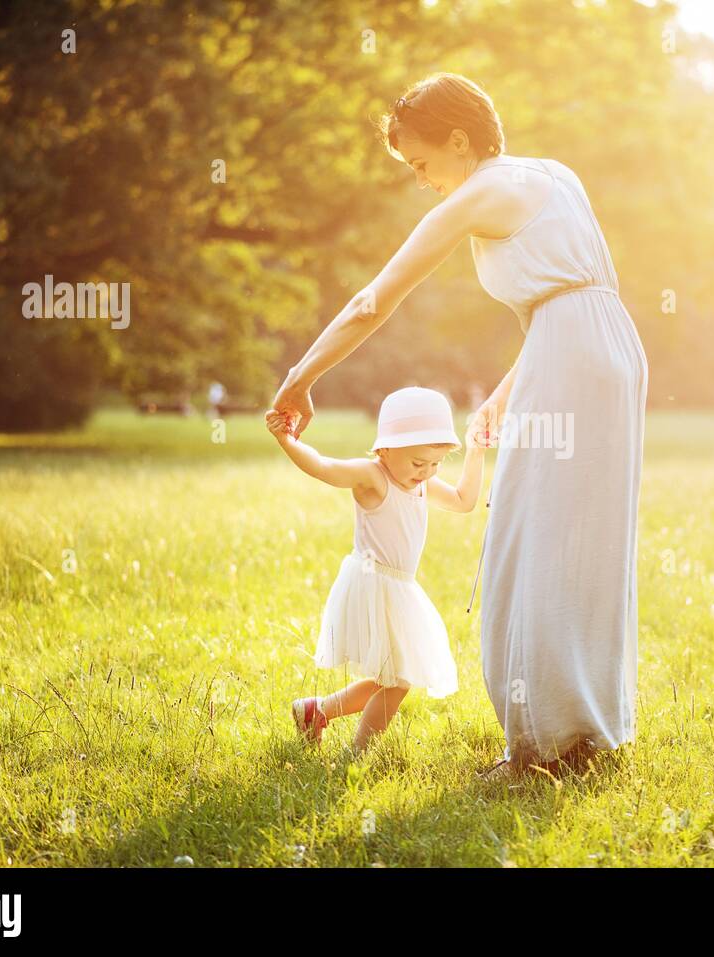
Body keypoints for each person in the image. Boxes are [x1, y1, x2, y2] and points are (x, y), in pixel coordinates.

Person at [270, 73, 648, 778]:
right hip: (613, 351)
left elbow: (371, 301)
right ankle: (587, 730)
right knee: (584, 542)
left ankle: (538, 747)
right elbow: (577, 298)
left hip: (570, 352)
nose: (420, 180)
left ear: (457, 139)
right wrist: (507, 390)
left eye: (420, 164)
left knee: (525, 544)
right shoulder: (555, 175)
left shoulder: (482, 192)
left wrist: (301, 376)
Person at [267, 386, 485, 754]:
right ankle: (360, 754)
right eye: (418, 463)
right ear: (385, 449)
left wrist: (477, 450)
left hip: (400, 589)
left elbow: (465, 502)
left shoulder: (422, 484)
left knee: (394, 676)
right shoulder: (373, 476)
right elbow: (323, 467)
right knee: (399, 678)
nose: (426, 472)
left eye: (435, 464)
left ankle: (316, 710)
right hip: (373, 584)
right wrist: (287, 440)